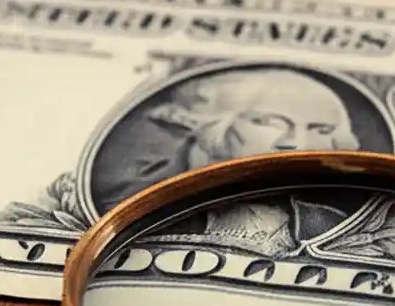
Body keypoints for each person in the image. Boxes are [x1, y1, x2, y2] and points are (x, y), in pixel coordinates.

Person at [91, 67, 361, 213]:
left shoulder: (328, 215)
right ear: (210, 121)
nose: (295, 143)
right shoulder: (121, 200)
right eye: (269, 122)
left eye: (321, 130)